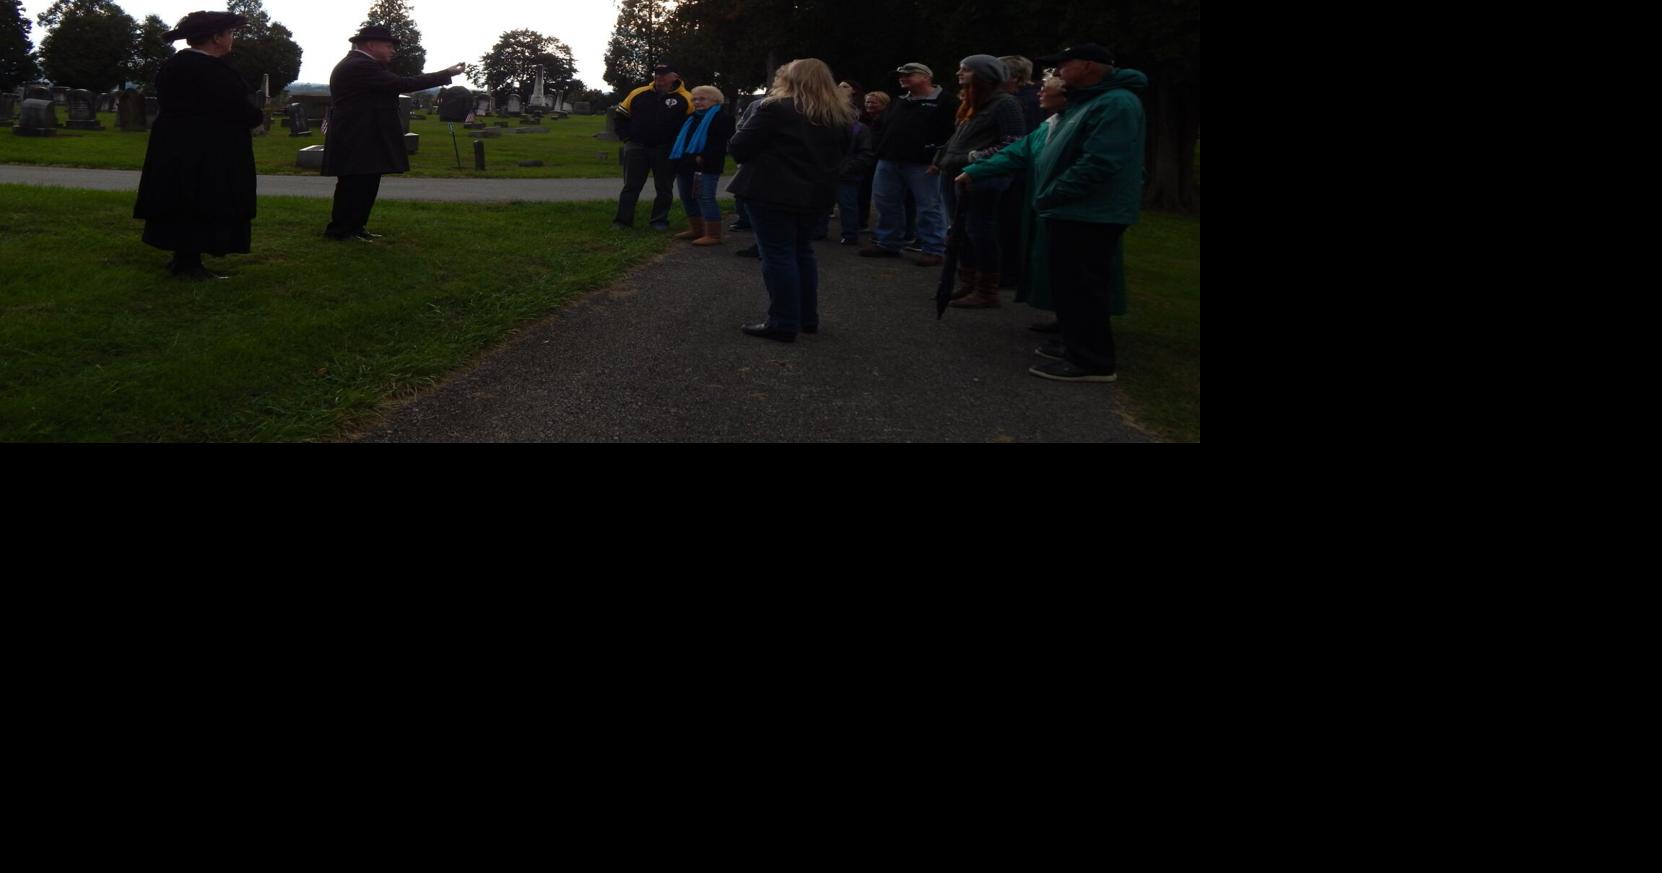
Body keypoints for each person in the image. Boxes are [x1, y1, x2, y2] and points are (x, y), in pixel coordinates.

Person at [958, 44, 1146, 383]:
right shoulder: (1088, 102)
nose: (1057, 72)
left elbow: (1101, 161)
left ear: (1087, 65)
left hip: (1091, 211)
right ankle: (1074, 344)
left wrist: (1053, 194)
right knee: (1070, 283)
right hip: (1071, 209)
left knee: (1084, 285)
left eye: (1063, 65)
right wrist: (977, 169)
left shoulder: (1117, 103)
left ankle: (1093, 362)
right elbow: (1026, 148)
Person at [727, 58, 855, 342]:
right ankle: (807, 318)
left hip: (770, 191)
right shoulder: (840, 115)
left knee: (777, 254)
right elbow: (843, 153)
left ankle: (783, 321)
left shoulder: (775, 108)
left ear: (791, 79)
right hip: (816, 194)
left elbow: (739, 147)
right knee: (802, 251)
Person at [133, 11, 262, 280]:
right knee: (203, 199)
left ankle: (183, 257)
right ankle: (189, 263)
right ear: (216, 37)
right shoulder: (211, 70)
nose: (232, 38)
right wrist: (255, 116)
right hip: (207, 149)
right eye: (230, 33)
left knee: (180, 198)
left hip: (176, 144)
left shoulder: (174, 64)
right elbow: (237, 107)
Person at [321, 25, 463, 241]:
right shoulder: (360, 65)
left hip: (363, 135)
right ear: (371, 45)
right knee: (355, 186)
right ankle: (341, 230)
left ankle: (355, 227)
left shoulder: (363, 64)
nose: (393, 50)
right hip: (358, 136)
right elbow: (401, 84)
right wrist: (447, 73)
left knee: (365, 184)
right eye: (388, 45)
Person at [934, 54, 1025, 308]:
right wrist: (942, 157)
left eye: (965, 69)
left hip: (980, 177)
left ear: (984, 74)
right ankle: (968, 281)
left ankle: (987, 290)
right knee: (960, 230)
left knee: (979, 230)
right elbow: (960, 137)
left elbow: (1014, 143)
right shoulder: (972, 102)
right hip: (953, 172)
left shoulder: (1005, 103)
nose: (959, 74)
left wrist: (975, 158)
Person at [860, 61, 955, 267]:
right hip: (889, 160)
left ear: (926, 77)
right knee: (886, 202)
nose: (903, 78)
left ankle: (933, 248)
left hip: (923, 163)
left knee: (929, 206)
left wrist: (939, 158)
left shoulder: (945, 101)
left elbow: (951, 133)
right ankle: (888, 242)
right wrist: (879, 148)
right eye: (901, 75)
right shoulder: (898, 101)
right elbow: (881, 126)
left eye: (909, 74)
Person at [611, 63, 693, 230]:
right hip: (637, 147)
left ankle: (659, 221)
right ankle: (622, 221)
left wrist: (678, 145)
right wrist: (627, 138)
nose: (659, 77)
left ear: (675, 77)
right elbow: (620, 116)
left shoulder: (687, 98)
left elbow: (691, 125)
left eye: (664, 74)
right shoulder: (638, 93)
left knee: (664, 187)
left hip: (666, 149)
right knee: (631, 186)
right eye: (657, 73)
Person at [669, 85, 735, 246]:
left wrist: (702, 157)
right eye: (695, 99)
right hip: (685, 164)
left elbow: (718, 144)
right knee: (687, 197)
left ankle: (713, 234)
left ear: (715, 100)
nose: (697, 102)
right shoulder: (690, 118)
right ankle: (696, 229)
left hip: (706, 165)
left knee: (705, 198)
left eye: (702, 99)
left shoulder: (722, 118)